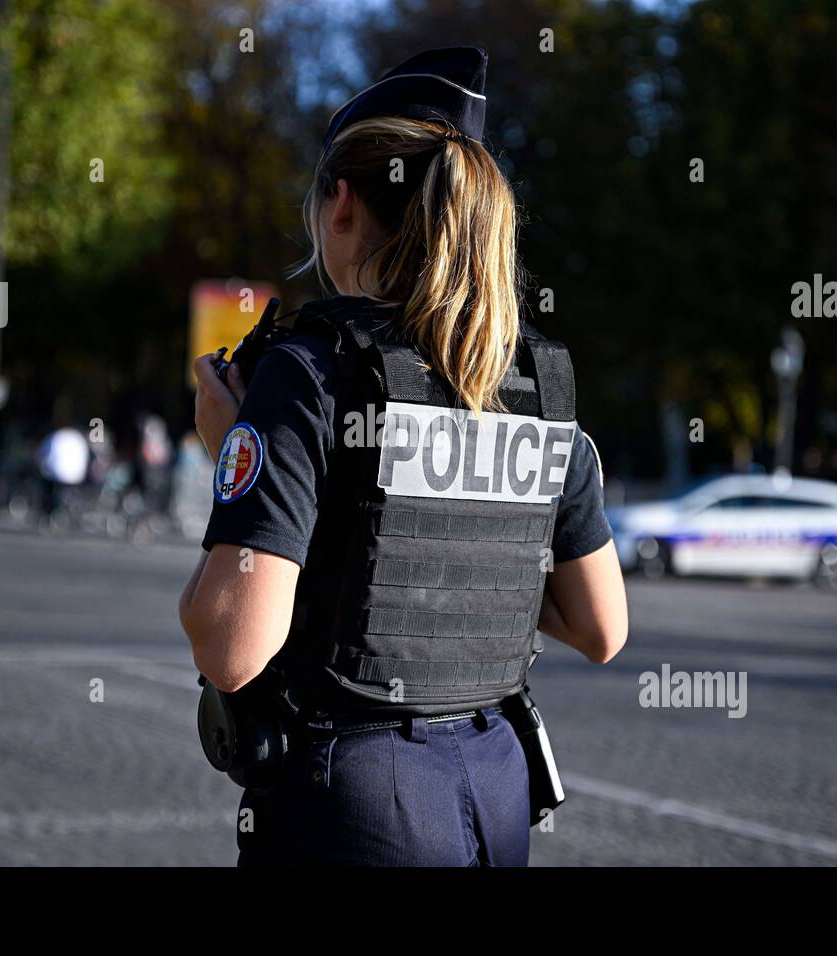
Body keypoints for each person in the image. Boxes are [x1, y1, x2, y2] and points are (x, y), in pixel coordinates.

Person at [179, 47, 627, 866]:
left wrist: (232, 455)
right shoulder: (533, 382)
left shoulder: (311, 370)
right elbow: (603, 628)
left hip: (350, 802)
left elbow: (232, 649)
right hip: (496, 791)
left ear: (341, 204)